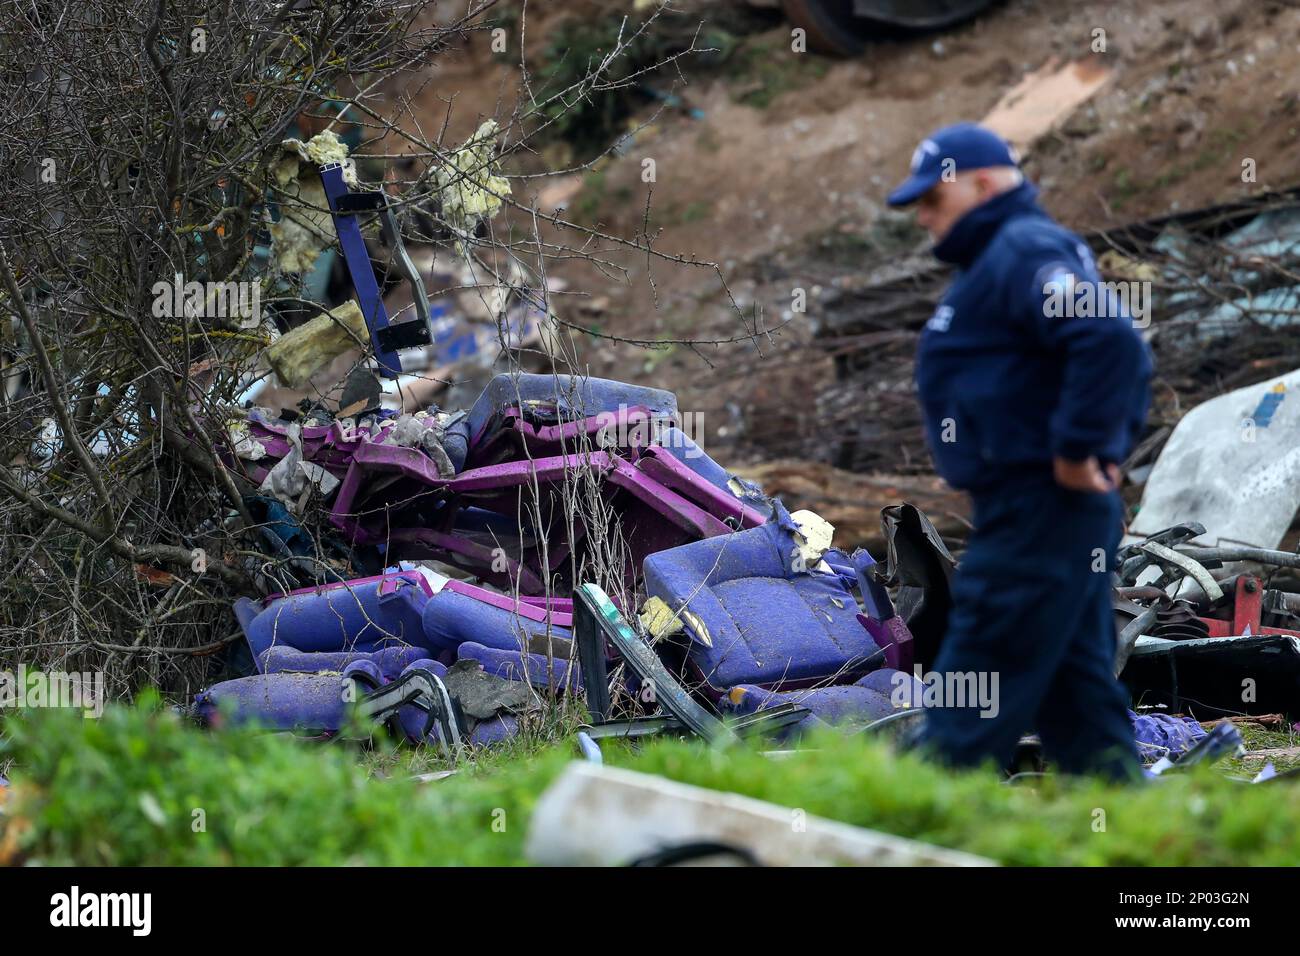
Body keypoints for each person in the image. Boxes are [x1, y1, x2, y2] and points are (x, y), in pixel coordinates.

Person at [885, 122, 1151, 780]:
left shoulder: (1023, 250)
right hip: (1046, 510)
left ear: (980, 186)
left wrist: (1078, 449)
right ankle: (1136, 829)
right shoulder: (1002, 257)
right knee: (1077, 696)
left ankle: (899, 822)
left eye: (932, 201)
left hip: (1041, 509)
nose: (923, 218)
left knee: (973, 685)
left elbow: (1109, 338)